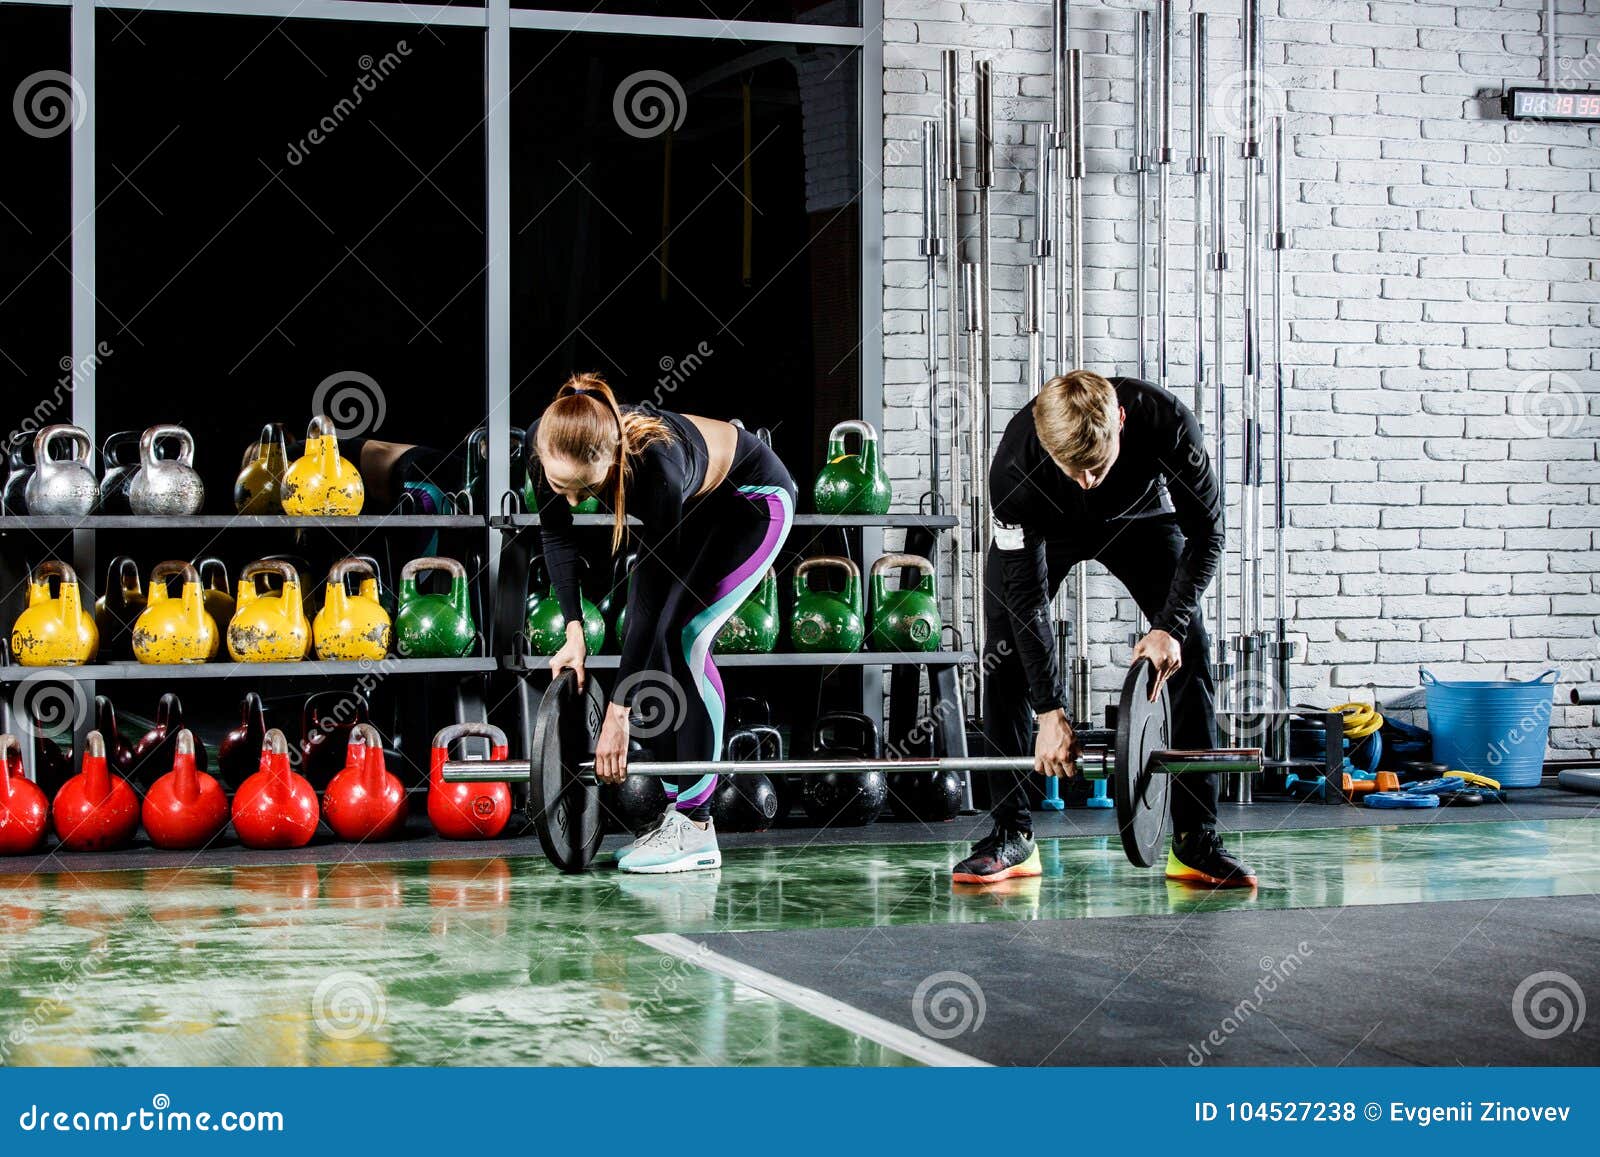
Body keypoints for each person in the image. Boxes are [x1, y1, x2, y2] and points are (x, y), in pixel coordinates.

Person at [953, 369, 1256, 888]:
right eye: (1073, 469)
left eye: (1096, 465)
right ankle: (1011, 835)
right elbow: (1026, 602)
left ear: (1120, 421)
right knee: (1003, 656)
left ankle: (1195, 841)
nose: (1087, 481)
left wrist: (1169, 627)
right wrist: (1049, 710)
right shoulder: (1013, 467)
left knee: (1192, 653)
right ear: (1047, 445)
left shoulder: (1169, 424)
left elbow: (1209, 534)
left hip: (1140, 522)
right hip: (1047, 530)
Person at [531, 374, 795, 874]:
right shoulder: (543, 438)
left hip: (754, 503)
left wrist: (618, 714)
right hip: (700, 509)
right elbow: (556, 534)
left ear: (612, 461)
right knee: (666, 641)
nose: (569, 499)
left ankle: (696, 829)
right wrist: (573, 631)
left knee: (686, 635)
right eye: (558, 485)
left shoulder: (656, 468)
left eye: (583, 488)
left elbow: (647, 600)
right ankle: (678, 818)